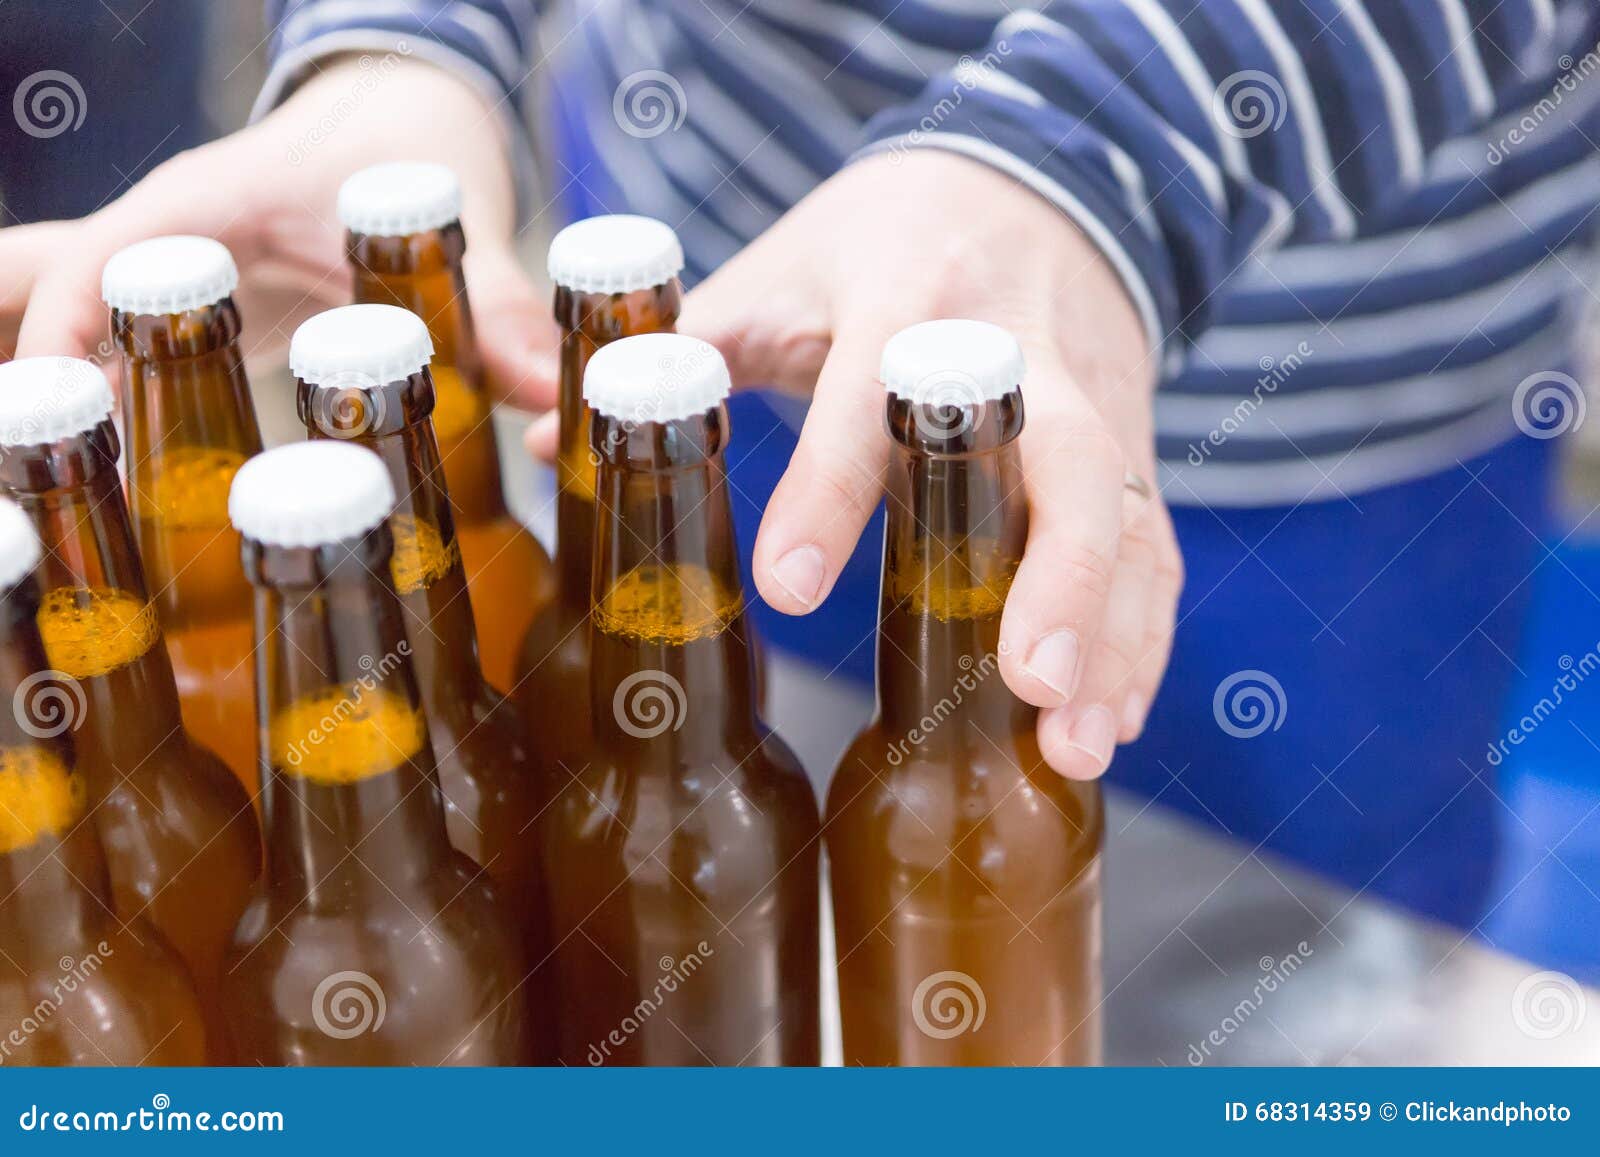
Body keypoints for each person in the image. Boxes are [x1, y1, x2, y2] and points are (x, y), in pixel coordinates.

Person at [3, 1, 1596, 927]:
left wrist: (1087, 164)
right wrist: (397, 57)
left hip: (1321, 420)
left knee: (1295, 948)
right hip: (733, 316)